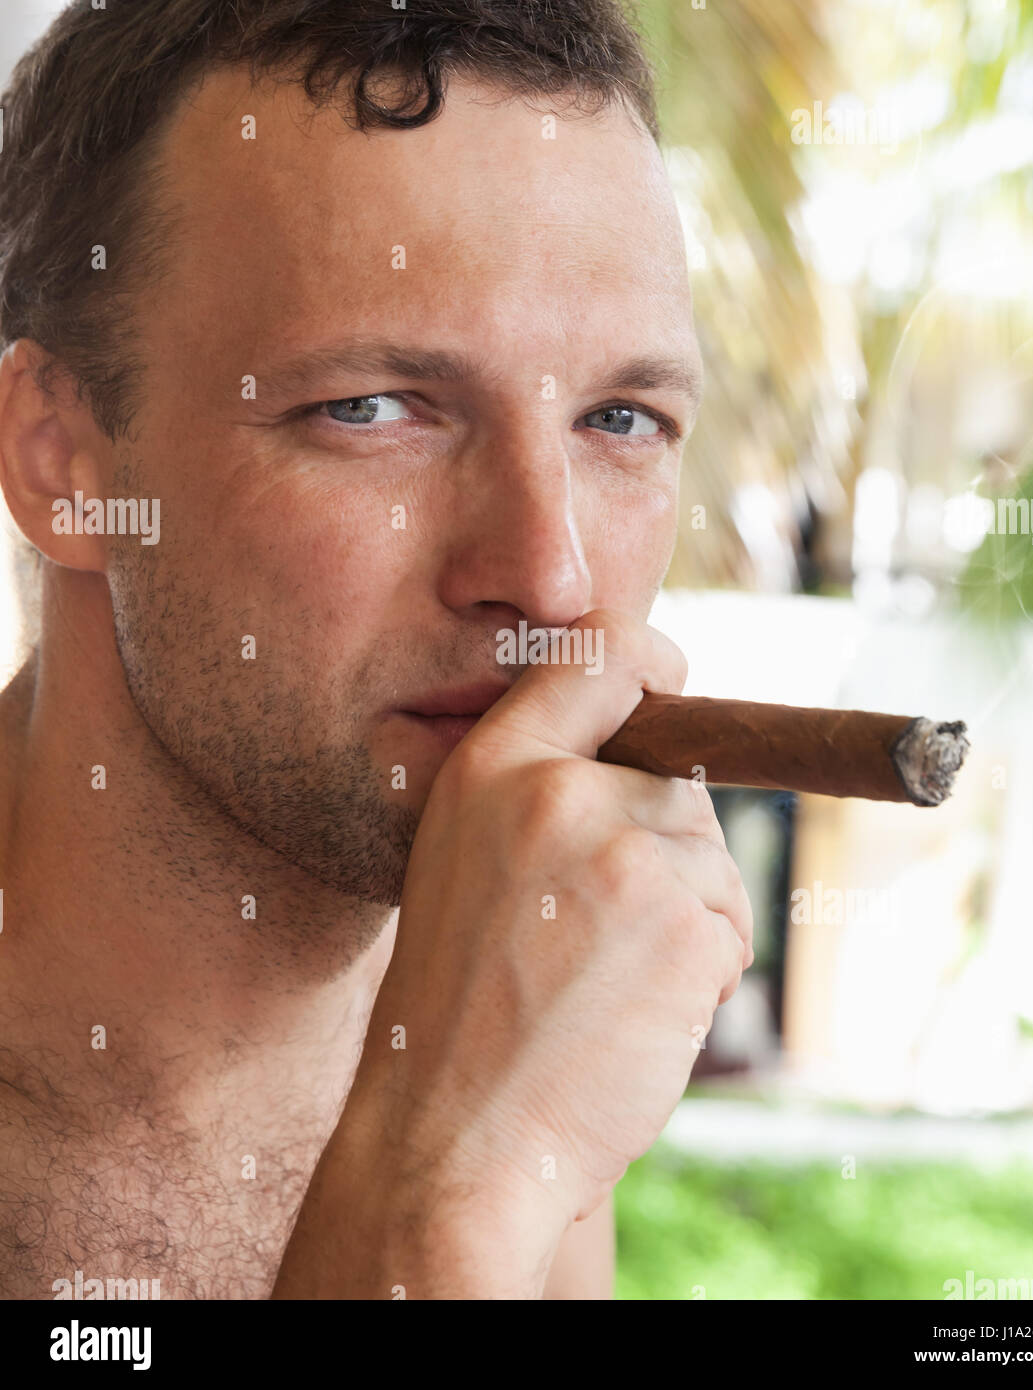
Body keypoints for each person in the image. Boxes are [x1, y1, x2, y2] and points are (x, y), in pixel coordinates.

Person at [0, 0, 752, 1299]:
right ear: (61, 459)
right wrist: (438, 1190)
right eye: (370, 407)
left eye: (620, 418)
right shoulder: (483, 1090)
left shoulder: (508, 998)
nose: (551, 577)